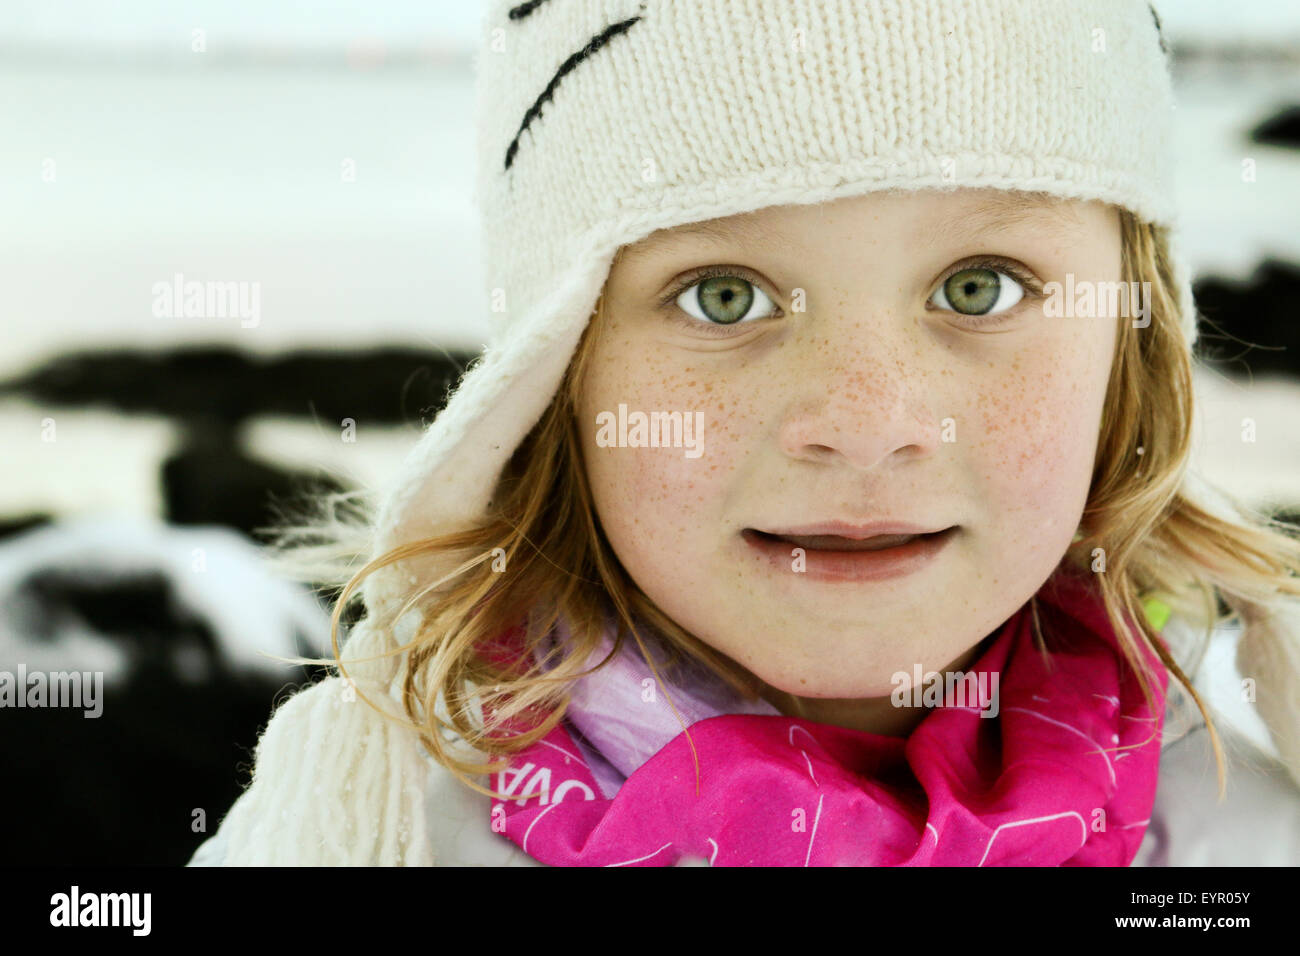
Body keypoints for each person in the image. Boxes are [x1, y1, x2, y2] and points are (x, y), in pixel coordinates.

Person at [188, 0, 1300, 866]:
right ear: (552, 371)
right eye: (724, 295)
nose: (866, 428)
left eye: (978, 287)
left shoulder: (1237, 843)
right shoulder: (365, 835)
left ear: (1128, 353)